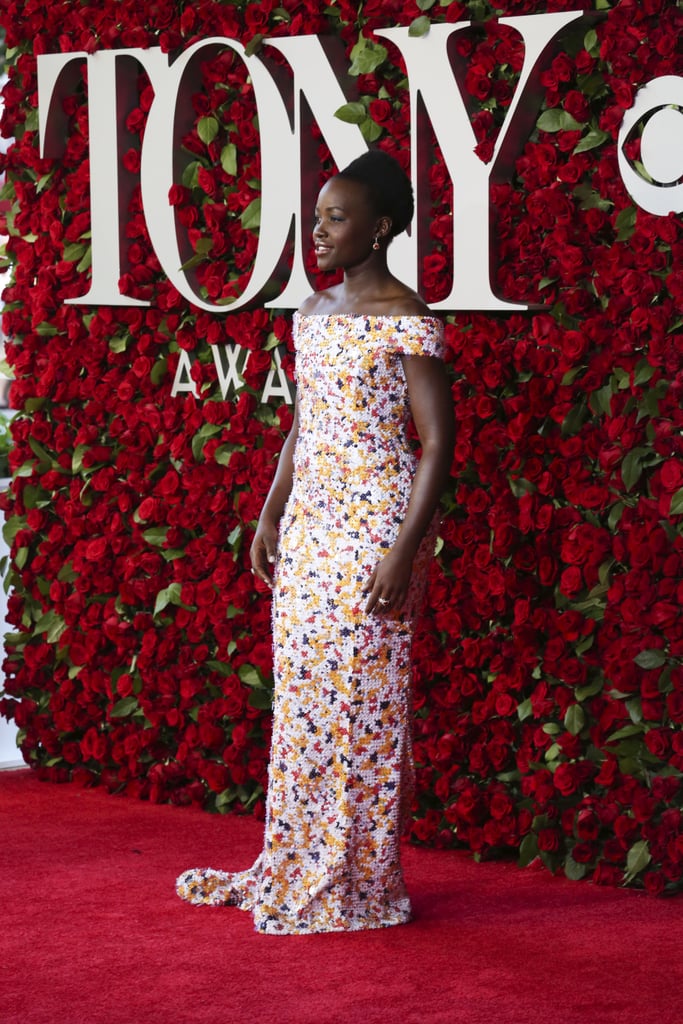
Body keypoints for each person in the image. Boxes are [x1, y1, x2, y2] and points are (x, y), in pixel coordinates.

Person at [176, 149, 454, 934]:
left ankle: (358, 882)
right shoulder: (312, 310)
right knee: (304, 699)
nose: (319, 230)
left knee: (361, 701)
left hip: (376, 528)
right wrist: (270, 512)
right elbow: (306, 422)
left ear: (381, 229)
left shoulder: (407, 316)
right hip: (310, 526)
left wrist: (404, 548)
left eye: (337, 218)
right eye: (318, 215)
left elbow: (437, 443)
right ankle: (299, 859)